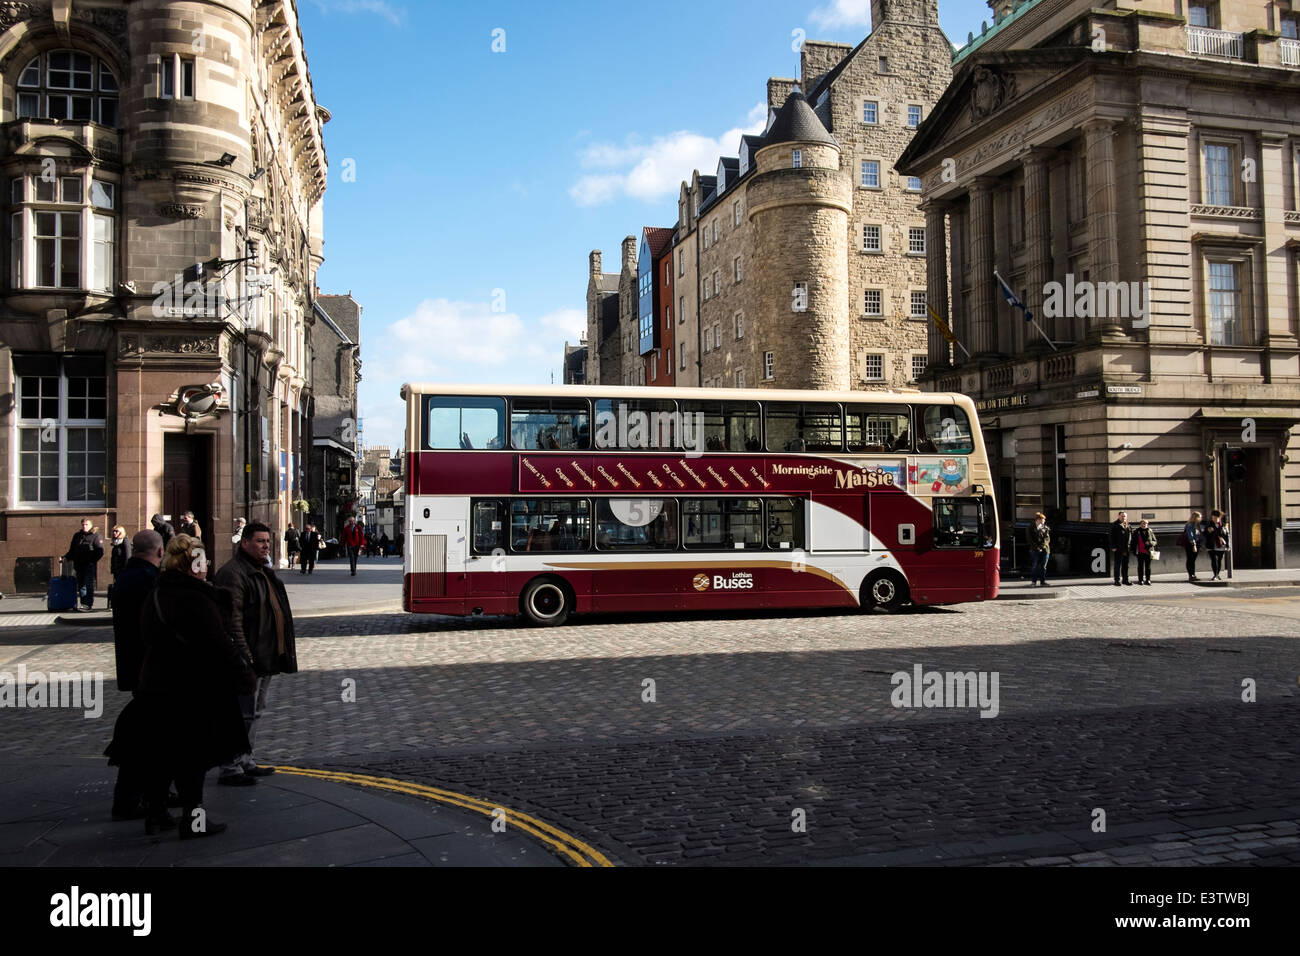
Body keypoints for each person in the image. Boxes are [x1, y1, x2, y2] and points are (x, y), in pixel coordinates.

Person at [107, 534, 253, 838]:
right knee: (192, 761)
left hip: (156, 686)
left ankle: (156, 814)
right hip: (192, 689)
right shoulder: (195, 598)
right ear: (192, 563)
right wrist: (242, 674)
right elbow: (217, 644)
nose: (206, 567)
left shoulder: (157, 593)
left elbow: (146, 637)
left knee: (162, 756)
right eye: (202, 561)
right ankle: (193, 821)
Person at [213, 521, 297, 785]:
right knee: (239, 713)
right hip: (249, 658)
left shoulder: (262, 571)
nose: (265, 546)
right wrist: (244, 656)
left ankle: (245, 759)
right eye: (260, 541)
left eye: (267, 541)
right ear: (245, 543)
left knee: (255, 711)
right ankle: (230, 766)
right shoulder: (234, 574)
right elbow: (232, 620)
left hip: (266, 655)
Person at [107, 529, 165, 821]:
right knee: (147, 739)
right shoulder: (147, 581)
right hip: (149, 670)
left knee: (149, 735)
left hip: (136, 668)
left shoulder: (126, 579)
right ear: (159, 552)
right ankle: (131, 799)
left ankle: (148, 794)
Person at [64, 517, 104, 611]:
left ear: (91, 525)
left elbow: (100, 551)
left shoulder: (95, 536)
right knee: (81, 585)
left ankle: (88, 604)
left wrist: (92, 561)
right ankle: (83, 604)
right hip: (79, 564)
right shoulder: (77, 535)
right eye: (83, 524)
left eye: (86, 524)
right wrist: (66, 557)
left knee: (88, 584)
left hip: (88, 564)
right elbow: (72, 550)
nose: (84, 526)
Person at [1026, 512, 1050, 587]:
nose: (1044, 521)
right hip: (1034, 550)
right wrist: (1037, 547)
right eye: (1043, 520)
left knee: (1043, 566)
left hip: (1045, 549)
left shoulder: (1045, 528)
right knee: (1035, 566)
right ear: (1038, 520)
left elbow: (1047, 539)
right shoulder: (1030, 527)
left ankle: (1043, 582)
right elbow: (1029, 539)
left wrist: (1042, 546)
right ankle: (1034, 582)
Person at [1109, 510, 1131, 586]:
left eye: (1124, 516)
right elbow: (1111, 537)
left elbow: (1130, 536)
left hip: (1126, 548)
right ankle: (1117, 580)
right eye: (1122, 516)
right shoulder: (1114, 525)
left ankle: (1125, 579)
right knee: (1117, 565)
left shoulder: (1128, 525)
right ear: (1118, 516)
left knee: (1125, 565)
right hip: (1118, 548)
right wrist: (1113, 546)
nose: (1123, 517)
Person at [1205, 510, 1229, 580]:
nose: (1214, 519)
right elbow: (1204, 534)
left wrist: (1228, 545)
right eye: (1213, 518)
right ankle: (1215, 575)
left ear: (1219, 518)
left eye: (1216, 518)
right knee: (1214, 559)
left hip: (1221, 545)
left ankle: (1217, 574)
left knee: (1219, 560)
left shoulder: (1223, 525)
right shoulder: (1209, 524)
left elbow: (1227, 535)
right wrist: (1208, 531)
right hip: (1211, 545)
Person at [1132, 519, 1157, 585]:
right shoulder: (1136, 531)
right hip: (1139, 552)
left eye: (1145, 523)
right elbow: (1133, 542)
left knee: (1148, 567)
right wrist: (1133, 550)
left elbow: (1155, 541)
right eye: (1143, 523)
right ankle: (1140, 580)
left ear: (1147, 524)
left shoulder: (1150, 531)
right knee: (1140, 566)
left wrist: (1150, 543)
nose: (1144, 524)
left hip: (1148, 552)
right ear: (1140, 524)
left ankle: (1148, 580)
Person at [108, 526, 127, 609]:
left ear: (122, 532)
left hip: (123, 569)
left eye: (117, 531)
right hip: (116, 570)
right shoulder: (115, 543)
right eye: (114, 531)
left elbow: (127, 556)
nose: (115, 533)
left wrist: (126, 569)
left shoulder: (125, 542)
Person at [1180, 510, 1202, 581]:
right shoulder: (1189, 525)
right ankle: (1191, 575)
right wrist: (1194, 545)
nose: (1200, 519)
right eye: (1199, 517)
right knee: (1190, 559)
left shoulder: (1197, 525)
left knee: (1193, 560)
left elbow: (1199, 535)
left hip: (1197, 543)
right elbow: (1190, 535)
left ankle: (1193, 574)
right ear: (1196, 517)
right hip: (1191, 544)